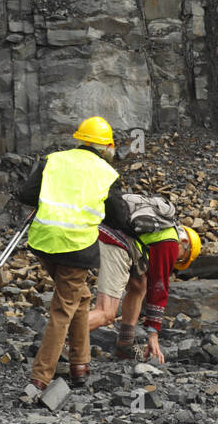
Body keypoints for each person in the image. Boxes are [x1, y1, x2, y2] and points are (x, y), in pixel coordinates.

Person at [17, 116, 131, 392]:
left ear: (81, 139)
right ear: (106, 148)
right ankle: (40, 378)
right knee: (62, 308)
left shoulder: (53, 160)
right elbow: (120, 217)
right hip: (75, 247)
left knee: (80, 297)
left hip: (44, 243)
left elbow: (24, 193)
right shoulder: (105, 172)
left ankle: (80, 364)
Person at [88, 214, 201, 364]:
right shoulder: (171, 243)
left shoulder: (163, 228)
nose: (175, 262)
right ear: (185, 243)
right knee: (106, 313)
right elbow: (159, 286)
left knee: (139, 284)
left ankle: (125, 343)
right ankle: (61, 336)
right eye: (180, 259)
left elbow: (149, 281)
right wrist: (153, 334)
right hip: (114, 242)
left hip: (110, 232)